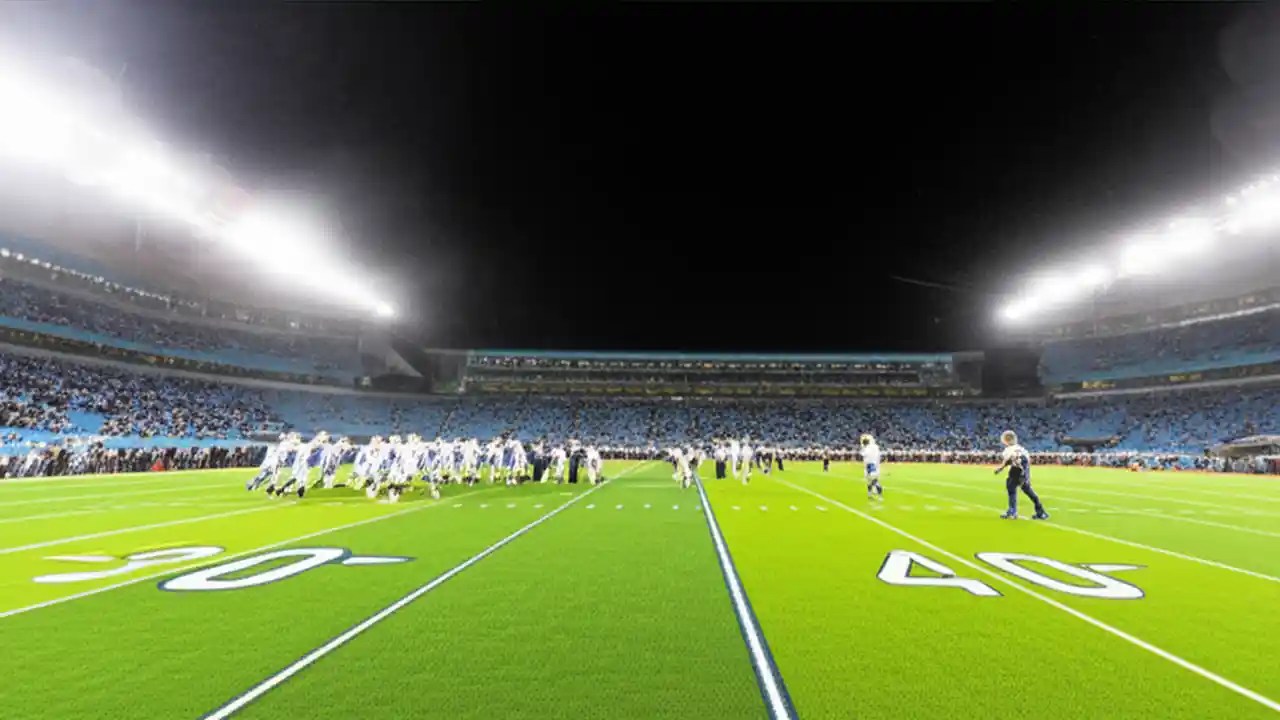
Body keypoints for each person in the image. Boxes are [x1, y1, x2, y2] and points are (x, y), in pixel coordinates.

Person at [993, 430, 1049, 520]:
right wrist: (1027, 476)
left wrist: (1000, 468)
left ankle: (1012, 511)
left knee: (1011, 490)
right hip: (1023, 471)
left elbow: (1008, 460)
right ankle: (1041, 511)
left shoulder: (1008, 450)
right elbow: (1027, 461)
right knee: (1029, 492)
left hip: (1015, 471)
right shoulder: (1022, 449)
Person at [860, 434, 883, 500]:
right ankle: (870, 494)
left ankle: (878, 495)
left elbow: (863, 454)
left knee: (873, 481)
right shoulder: (874, 447)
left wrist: (863, 447)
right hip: (873, 465)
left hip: (871, 465)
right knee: (870, 481)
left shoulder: (867, 448)